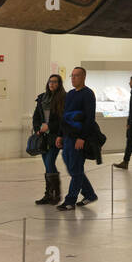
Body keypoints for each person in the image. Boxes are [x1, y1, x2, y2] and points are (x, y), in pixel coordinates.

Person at [57, 66, 99, 211]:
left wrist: (82, 137)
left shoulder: (88, 94)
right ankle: (89, 194)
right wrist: (60, 135)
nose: (73, 78)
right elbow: (65, 117)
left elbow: (89, 118)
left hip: (79, 138)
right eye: (72, 76)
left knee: (75, 168)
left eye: (76, 76)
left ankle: (70, 201)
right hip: (68, 137)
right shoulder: (70, 94)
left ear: (83, 77)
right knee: (72, 167)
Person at [32, 74, 66, 204]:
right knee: (47, 165)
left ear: (59, 84)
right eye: (50, 81)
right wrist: (38, 129)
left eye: (55, 82)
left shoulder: (63, 98)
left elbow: (62, 119)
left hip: (55, 136)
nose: (52, 84)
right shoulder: (42, 98)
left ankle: (56, 193)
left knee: (50, 162)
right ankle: (48, 194)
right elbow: (36, 117)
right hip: (43, 137)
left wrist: (49, 126)